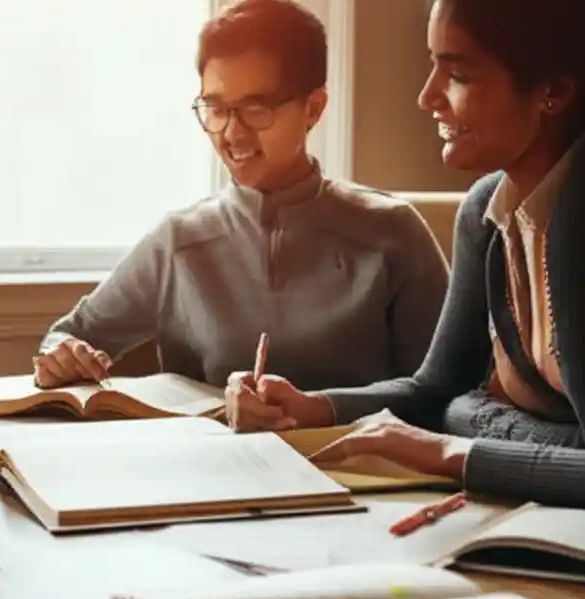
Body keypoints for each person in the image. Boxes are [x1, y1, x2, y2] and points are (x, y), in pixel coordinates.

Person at [227, 0, 585, 530]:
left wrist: (452, 448)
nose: (427, 96)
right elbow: (435, 393)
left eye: (457, 73)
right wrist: (309, 407)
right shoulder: (487, 209)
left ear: (554, 89)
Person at [34, 0, 448, 390]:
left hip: (357, 465)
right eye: (216, 109)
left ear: (314, 108)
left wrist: (321, 413)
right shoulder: (179, 240)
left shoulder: (394, 233)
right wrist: (63, 355)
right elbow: (68, 336)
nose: (232, 134)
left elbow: (443, 389)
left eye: (256, 109)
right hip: (213, 462)